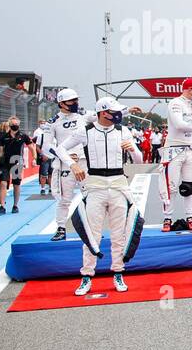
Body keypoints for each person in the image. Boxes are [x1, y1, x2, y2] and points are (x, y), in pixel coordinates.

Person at [58, 98, 145, 296]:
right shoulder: (86, 131)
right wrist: (73, 165)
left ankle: (118, 272)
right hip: (95, 185)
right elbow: (60, 148)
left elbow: (139, 159)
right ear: (102, 112)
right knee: (92, 234)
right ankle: (87, 276)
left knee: (119, 233)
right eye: (113, 111)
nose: (117, 115)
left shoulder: (124, 131)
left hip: (118, 184)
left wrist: (132, 149)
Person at [159, 77, 192, 232]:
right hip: (174, 149)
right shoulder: (176, 103)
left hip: (190, 149)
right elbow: (179, 125)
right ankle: (167, 218)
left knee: (189, 186)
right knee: (171, 186)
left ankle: (190, 216)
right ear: (189, 90)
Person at [44, 88, 88, 240]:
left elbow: (105, 116)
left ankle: (91, 229)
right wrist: (66, 157)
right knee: (64, 199)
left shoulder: (84, 115)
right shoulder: (53, 122)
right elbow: (46, 147)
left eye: (76, 100)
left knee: (90, 196)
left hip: (84, 162)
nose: (75, 103)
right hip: (65, 165)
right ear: (61, 103)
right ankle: (61, 228)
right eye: (72, 100)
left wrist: (127, 110)